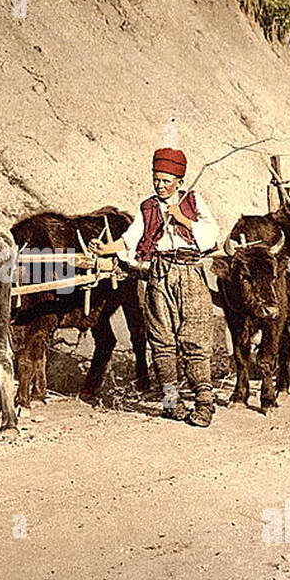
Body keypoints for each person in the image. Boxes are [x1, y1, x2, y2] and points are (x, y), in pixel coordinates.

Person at [94, 147, 219, 427]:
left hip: (189, 274)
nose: (160, 186)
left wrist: (182, 218)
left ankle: (204, 403)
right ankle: (171, 401)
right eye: (157, 179)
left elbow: (212, 236)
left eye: (166, 181)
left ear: (179, 182)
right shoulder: (148, 207)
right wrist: (106, 249)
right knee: (162, 341)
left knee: (194, 339)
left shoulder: (194, 201)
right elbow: (131, 239)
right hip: (158, 274)